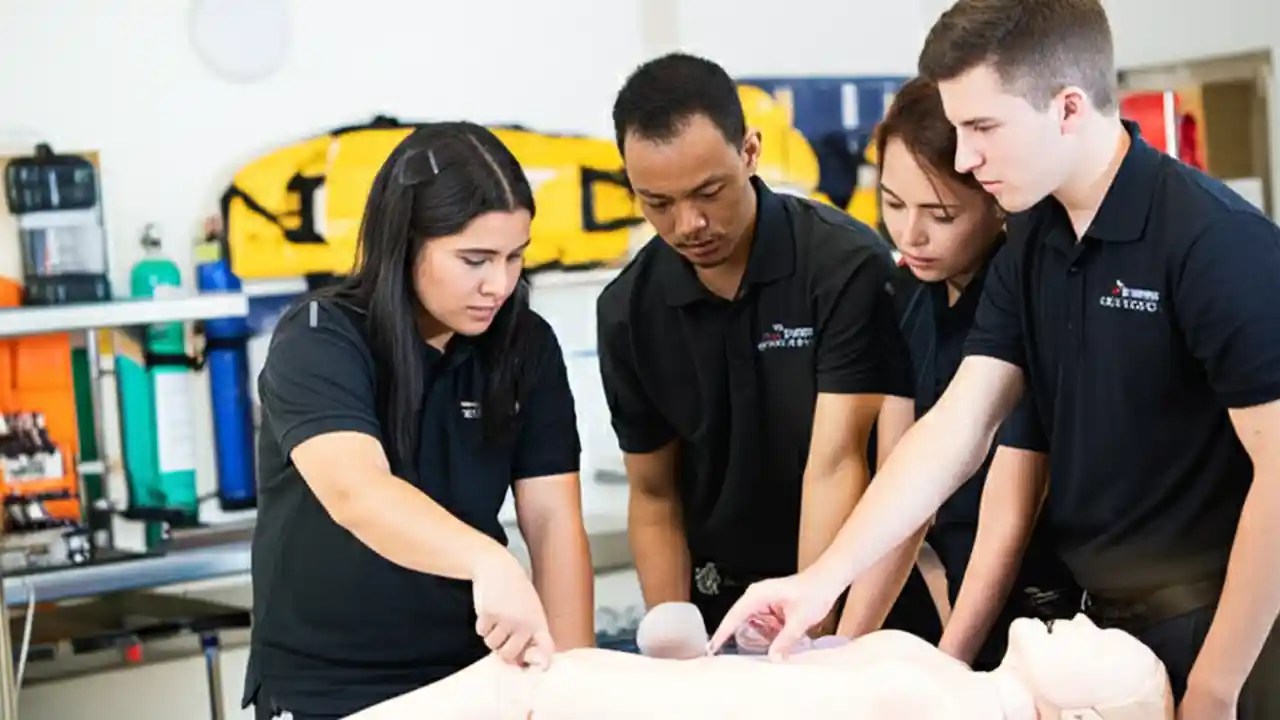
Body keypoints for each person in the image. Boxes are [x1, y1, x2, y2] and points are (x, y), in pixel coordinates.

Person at [710, 1, 1280, 717]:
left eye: (983, 128)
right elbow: (959, 425)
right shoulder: (1034, 242)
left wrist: (1217, 686)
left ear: (1068, 107)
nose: (967, 157)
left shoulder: (1211, 241)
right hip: (1100, 632)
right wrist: (822, 580)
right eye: (959, 129)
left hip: (1234, 629)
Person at [241, 122, 596, 719]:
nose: (499, 284)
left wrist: (570, 685)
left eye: (514, 258)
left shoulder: (524, 343)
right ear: (406, 242)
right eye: (474, 259)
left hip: (472, 675)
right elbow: (359, 492)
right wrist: (487, 561)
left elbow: (553, 518)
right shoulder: (320, 338)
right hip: (329, 690)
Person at [596, 52, 938, 639]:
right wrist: (675, 639)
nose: (688, 224)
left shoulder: (843, 265)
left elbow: (837, 461)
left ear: (750, 152)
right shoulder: (627, 310)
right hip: (719, 604)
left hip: (848, 593)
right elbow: (654, 495)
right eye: (658, 203)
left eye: (708, 192)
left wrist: (808, 631)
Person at [834, 77, 1080, 669]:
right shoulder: (904, 295)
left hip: (1060, 610)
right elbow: (904, 496)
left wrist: (952, 661)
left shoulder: (1028, 290)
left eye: (939, 214)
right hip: (966, 590)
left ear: (996, 199)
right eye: (892, 204)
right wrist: (839, 650)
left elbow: (1010, 509)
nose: (909, 235)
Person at [346, 608, 1174, 720]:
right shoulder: (951, 679)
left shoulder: (962, 710)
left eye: (1104, 651)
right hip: (611, 688)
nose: (1085, 621)